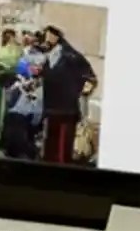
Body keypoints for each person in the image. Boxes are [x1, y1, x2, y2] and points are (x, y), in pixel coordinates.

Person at [38, 25, 97, 164]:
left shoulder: (72, 56)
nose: (44, 40)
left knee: (62, 150)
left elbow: (90, 78)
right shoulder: (48, 57)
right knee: (50, 148)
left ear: (56, 37)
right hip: (51, 108)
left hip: (67, 110)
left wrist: (78, 93)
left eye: (48, 36)